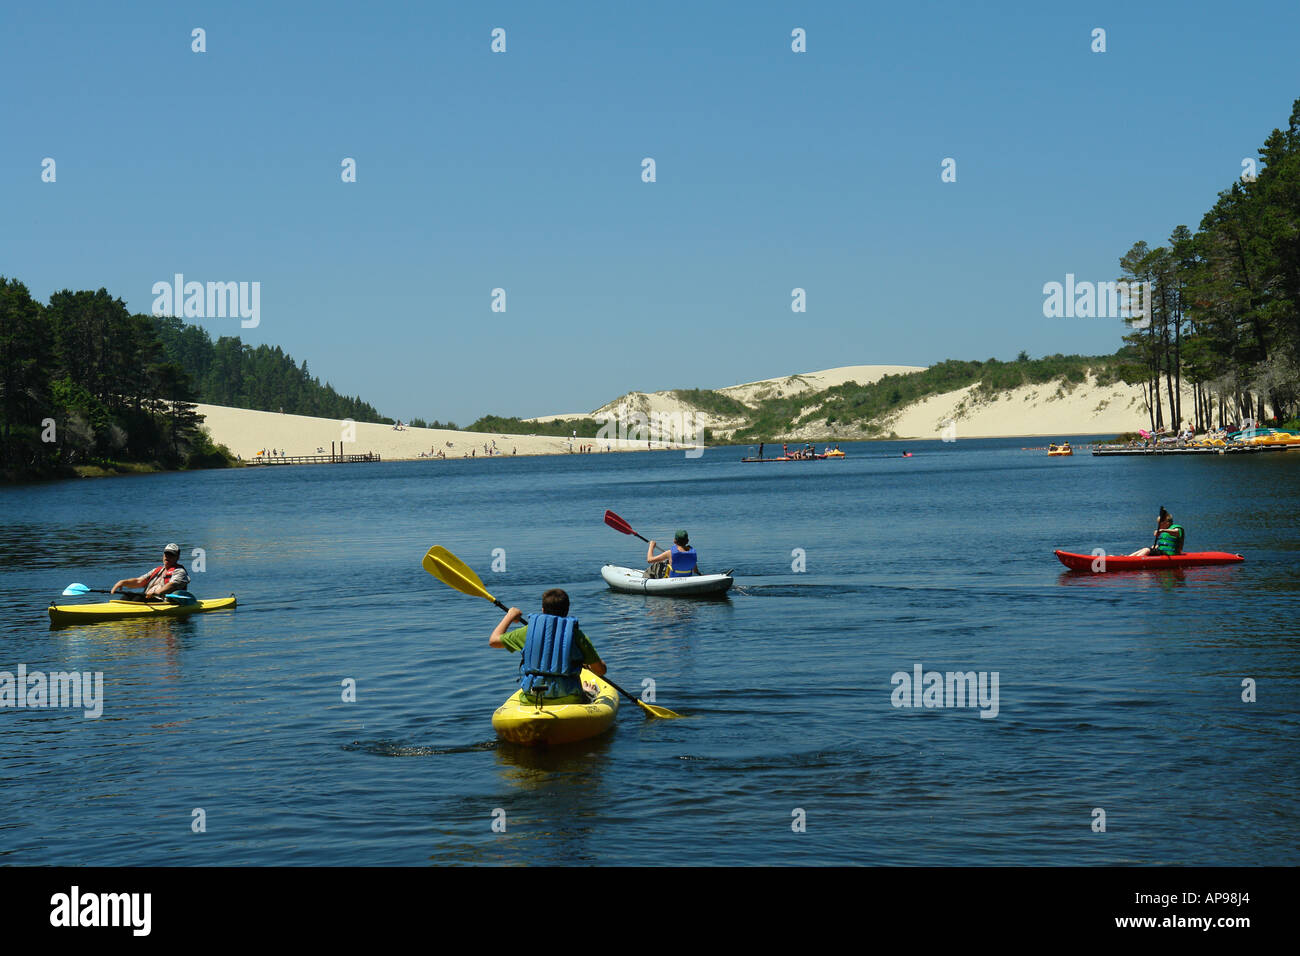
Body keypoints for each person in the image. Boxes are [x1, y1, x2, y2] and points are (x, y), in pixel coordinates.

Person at [489, 589, 605, 705]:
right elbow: (600, 671)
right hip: (569, 698)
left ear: (543, 610)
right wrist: (586, 662)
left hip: (532, 698)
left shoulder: (528, 632)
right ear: (567, 610)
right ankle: (588, 692)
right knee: (590, 692)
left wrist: (510, 616)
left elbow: (493, 641)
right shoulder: (577, 635)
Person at [111, 543, 191, 601]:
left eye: (171, 555)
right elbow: (139, 581)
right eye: (166, 554)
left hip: (163, 602)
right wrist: (123, 582)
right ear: (163, 555)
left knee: (138, 598)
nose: (168, 557)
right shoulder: (157, 570)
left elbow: (172, 585)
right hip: (147, 599)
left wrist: (156, 592)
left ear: (177, 557)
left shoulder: (180, 572)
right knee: (127, 595)